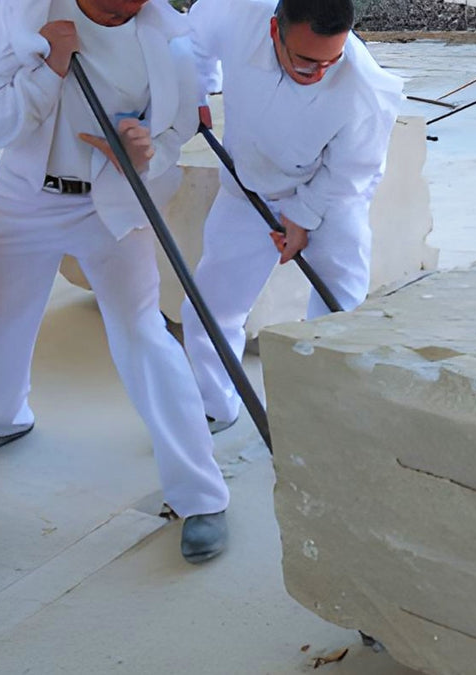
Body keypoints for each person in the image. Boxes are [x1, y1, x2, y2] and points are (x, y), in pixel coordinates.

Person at [0, 0, 229, 564]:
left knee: (142, 333)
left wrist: (144, 152)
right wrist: (48, 66)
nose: (121, 11)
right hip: (25, 198)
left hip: (111, 204)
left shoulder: (169, 41)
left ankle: (201, 495)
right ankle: (1, 419)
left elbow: (174, 134)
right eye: (109, 2)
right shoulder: (16, 19)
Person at [182, 0, 403, 433]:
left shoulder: (366, 87)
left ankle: (327, 411)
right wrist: (194, 90)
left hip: (330, 194)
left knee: (340, 306)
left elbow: (352, 171)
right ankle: (214, 403)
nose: (317, 72)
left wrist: (301, 217)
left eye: (330, 61)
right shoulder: (237, 12)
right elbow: (192, 39)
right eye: (305, 59)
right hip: (247, 187)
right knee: (209, 306)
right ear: (273, 29)